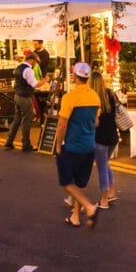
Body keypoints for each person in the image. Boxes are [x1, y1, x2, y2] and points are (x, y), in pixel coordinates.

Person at [53, 62, 101, 228]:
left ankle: (89, 207)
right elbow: (96, 122)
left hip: (73, 146)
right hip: (89, 146)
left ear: (74, 76)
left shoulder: (70, 97)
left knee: (67, 181)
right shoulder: (95, 97)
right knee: (80, 183)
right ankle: (75, 216)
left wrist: (58, 145)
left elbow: (62, 124)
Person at [92, 70, 120, 209]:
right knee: (104, 164)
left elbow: (95, 123)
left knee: (102, 167)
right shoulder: (110, 94)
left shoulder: (93, 98)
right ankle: (112, 191)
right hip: (113, 136)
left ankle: (104, 200)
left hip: (100, 138)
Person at [5, 51, 40, 152]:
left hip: (17, 96)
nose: (35, 64)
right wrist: (45, 80)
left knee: (17, 119)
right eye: (35, 61)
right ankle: (26, 144)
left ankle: (9, 141)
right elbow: (34, 84)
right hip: (25, 97)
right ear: (32, 60)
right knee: (27, 120)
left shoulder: (18, 68)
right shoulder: (28, 70)